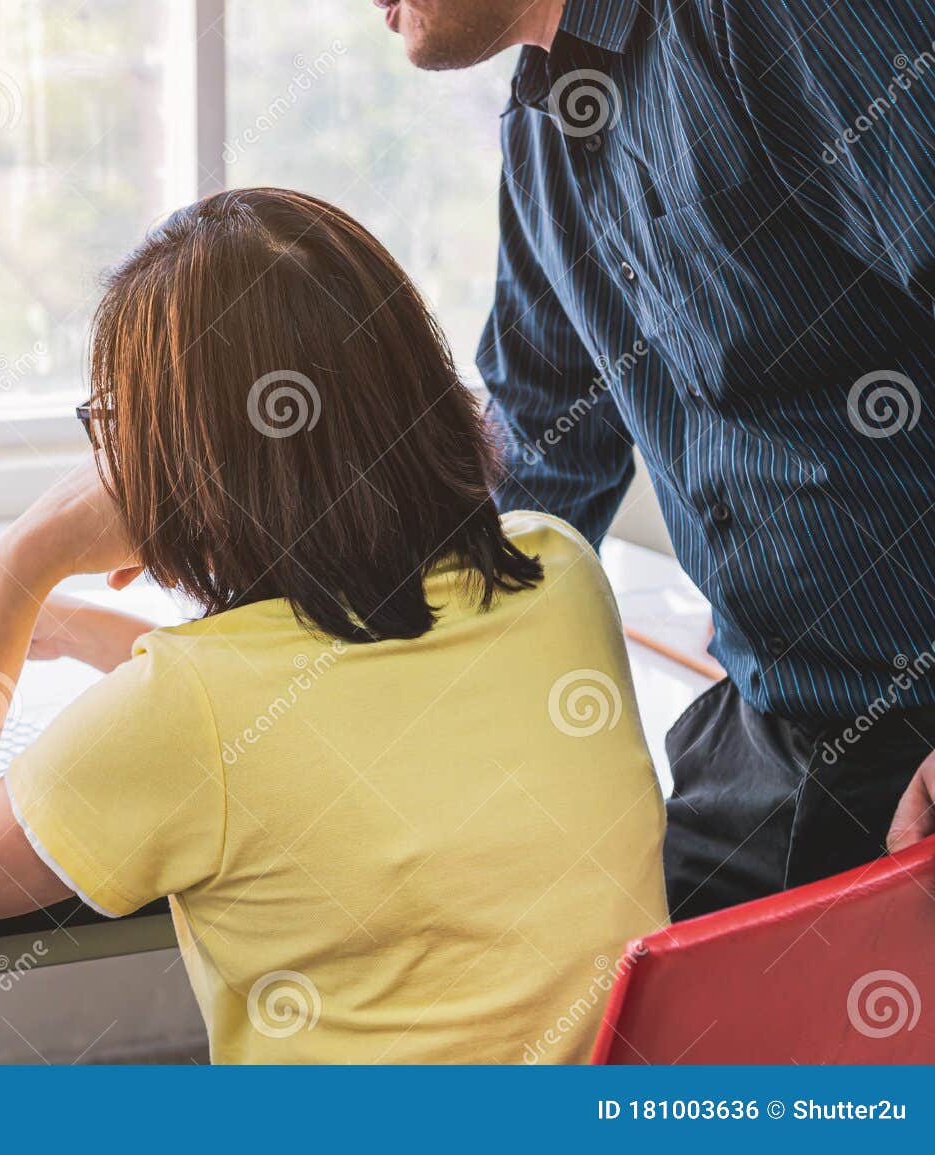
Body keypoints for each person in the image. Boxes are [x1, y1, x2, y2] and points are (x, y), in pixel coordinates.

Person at [0, 187, 665, 1063]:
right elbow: (314, 711)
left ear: (189, 458)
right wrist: (80, 629)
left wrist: (21, 570)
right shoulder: (560, 568)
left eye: (119, 425)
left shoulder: (188, 711)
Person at [372, 0, 935, 917]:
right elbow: (540, 460)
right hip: (768, 720)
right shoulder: (541, 132)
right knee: (623, 1011)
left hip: (918, 738)